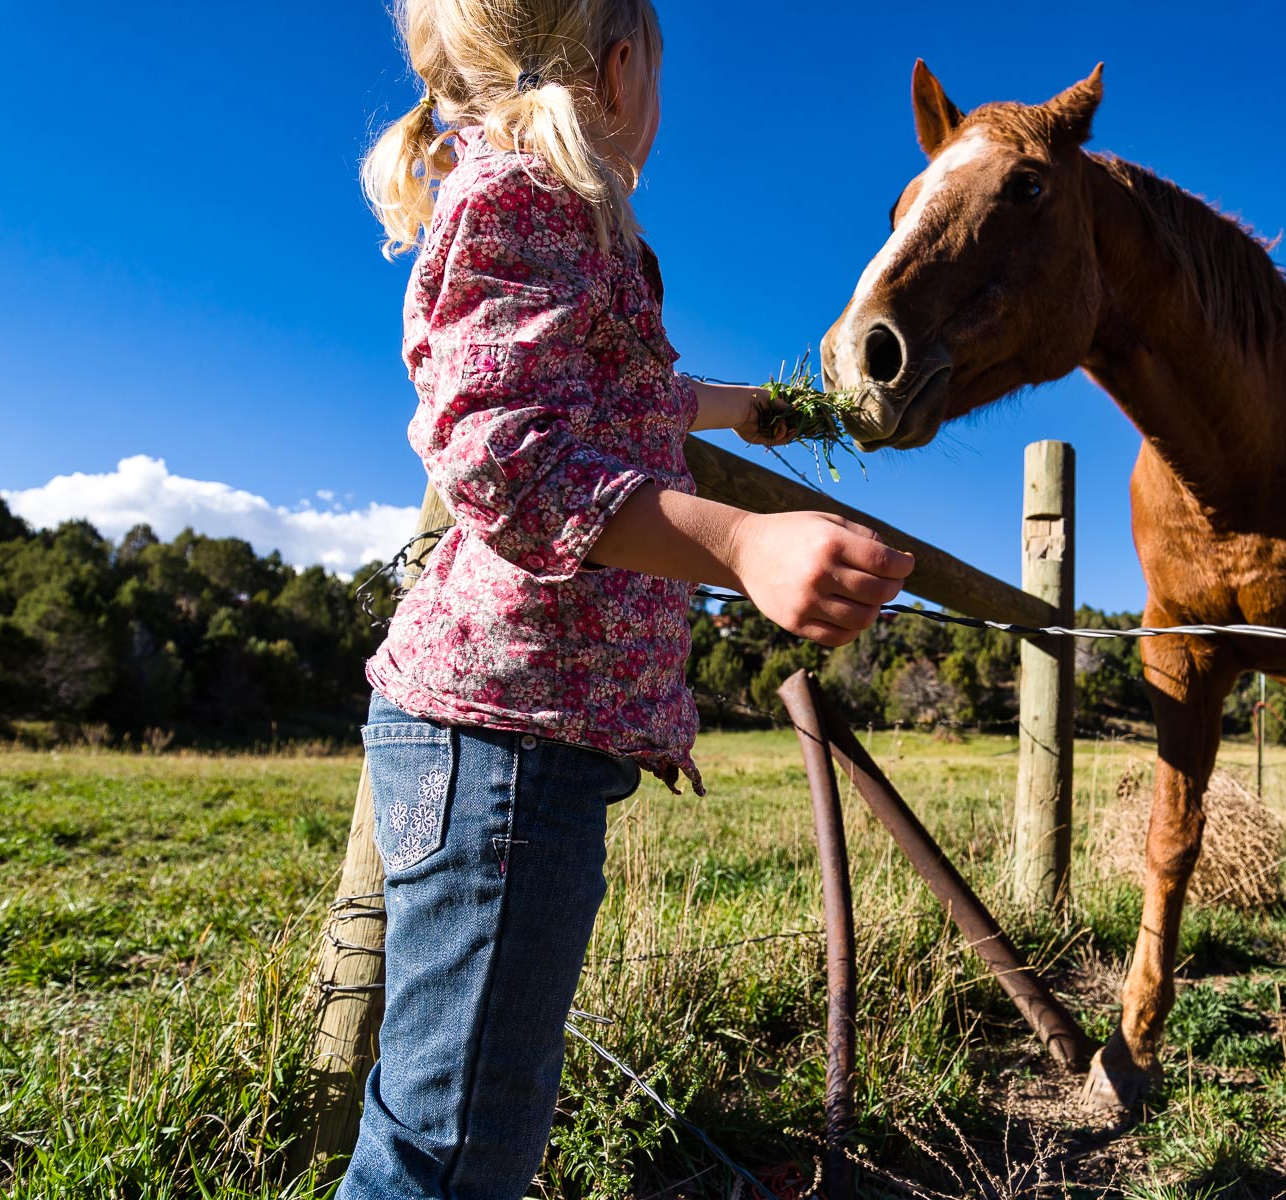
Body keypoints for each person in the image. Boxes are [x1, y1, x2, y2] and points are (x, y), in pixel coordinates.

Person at [346, 2, 913, 1195]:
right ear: (619, 67)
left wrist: (750, 408)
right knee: (451, 1154)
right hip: (502, 748)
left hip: (515, 744)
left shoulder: (560, 219)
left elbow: (620, 387)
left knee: (458, 1114)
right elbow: (508, 454)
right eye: (658, 62)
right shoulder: (524, 202)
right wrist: (743, 542)